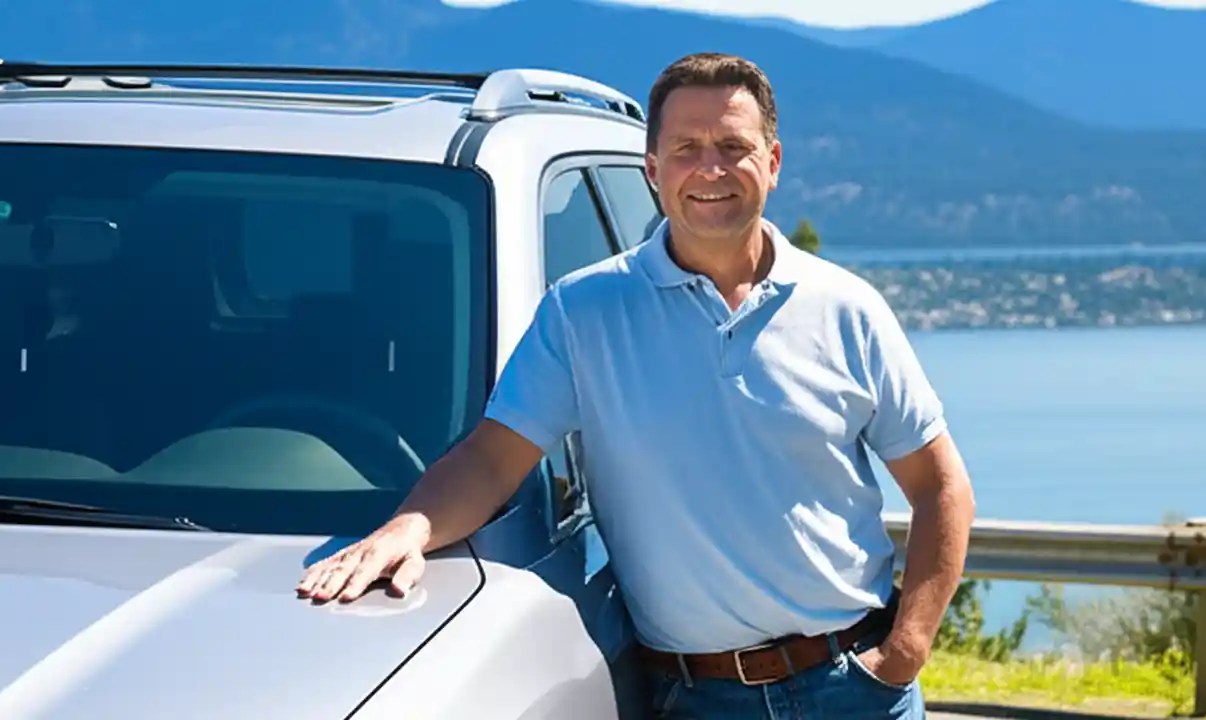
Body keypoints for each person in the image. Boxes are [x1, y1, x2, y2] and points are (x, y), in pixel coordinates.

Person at [297, 52, 976, 719]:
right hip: (698, 699)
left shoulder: (845, 308)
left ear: (772, 162)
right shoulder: (581, 312)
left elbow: (940, 485)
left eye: (733, 146)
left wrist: (905, 652)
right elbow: (491, 459)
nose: (710, 168)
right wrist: (408, 527)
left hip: (854, 690)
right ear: (652, 171)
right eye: (686, 148)